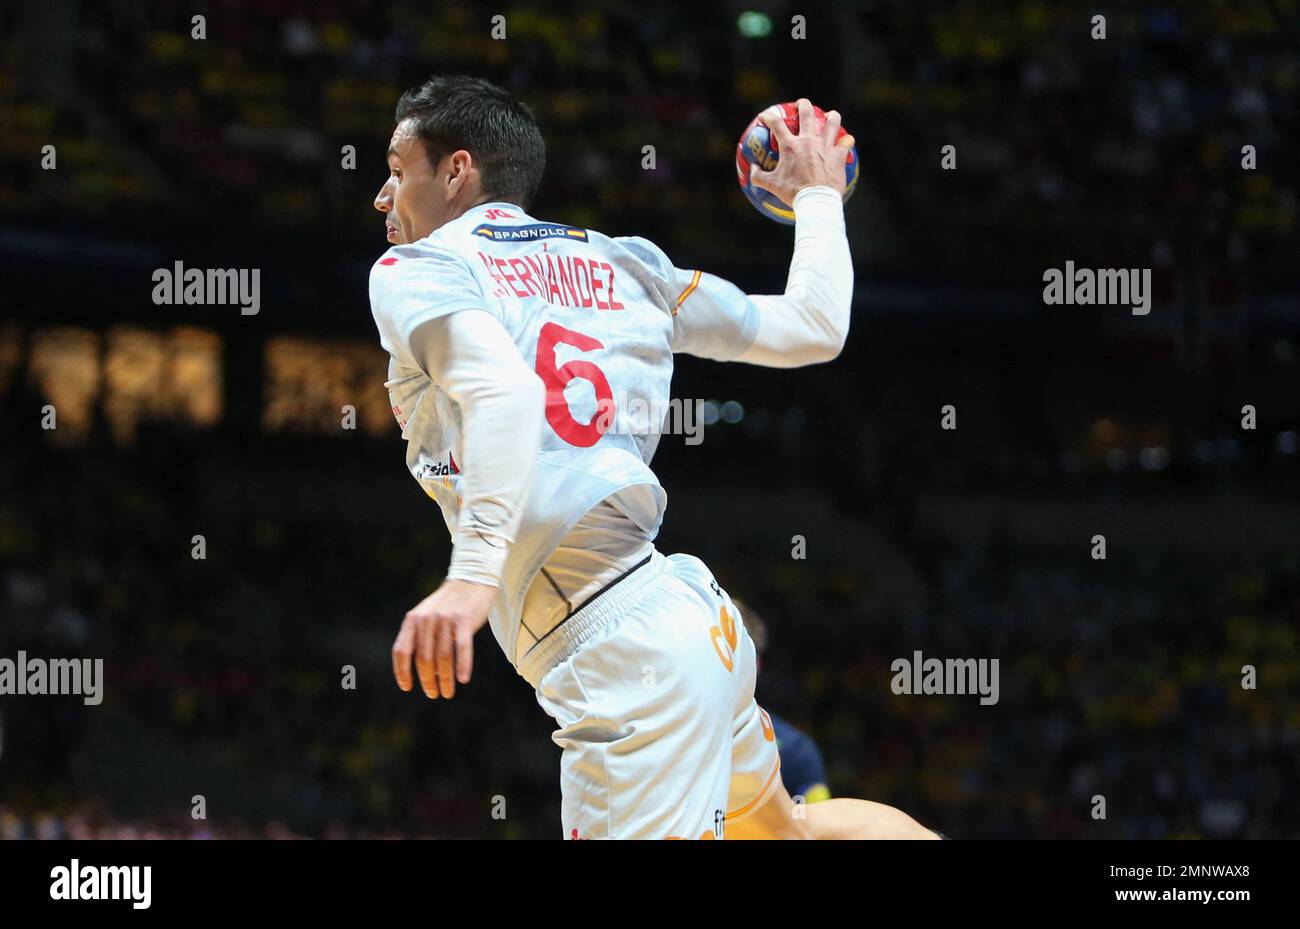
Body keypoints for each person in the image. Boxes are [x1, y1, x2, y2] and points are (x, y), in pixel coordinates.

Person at [370, 74, 920, 838]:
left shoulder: (420, 269)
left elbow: (506, 396)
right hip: (686, 611)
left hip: (619, 651)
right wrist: (820, 198)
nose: (381, 197)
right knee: (787, 828)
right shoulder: (627, 265)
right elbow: (813, 325)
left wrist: (470, 578)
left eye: (398, 173)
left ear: (457, 171)